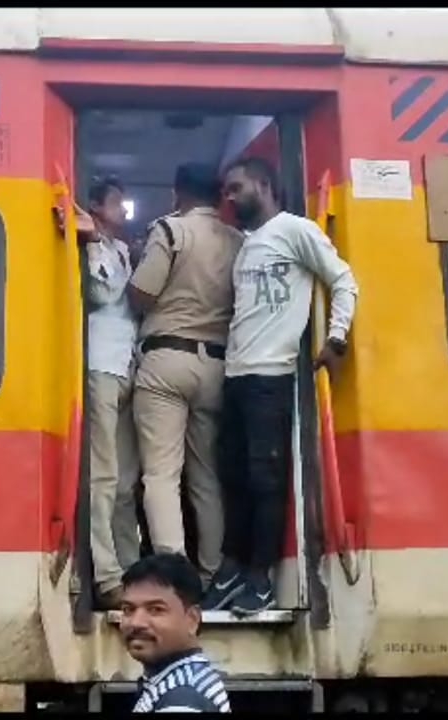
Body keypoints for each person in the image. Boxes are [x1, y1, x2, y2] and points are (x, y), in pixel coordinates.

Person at [203, 157, 358, 616]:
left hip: (272, 373)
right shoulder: (249, 244)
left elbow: (344, 280)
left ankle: (260, 579)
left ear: (264, 184)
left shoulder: (296, 230)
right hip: (236, 373)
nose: (229, 199)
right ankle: (233, 569)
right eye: (225, 192)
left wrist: (336, 338)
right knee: (232, 477)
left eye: (236, 188)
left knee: (265, 479)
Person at [127, 163, 243, 588]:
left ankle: (173, 578)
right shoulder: (238, 241)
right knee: (206, 477)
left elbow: (143, 293)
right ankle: (214, 576)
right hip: (218, 363)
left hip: (167, 360)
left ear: (178, 193)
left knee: (161, 474)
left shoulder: (171, 230)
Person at [80, 175, 142, 610]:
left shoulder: (122, 250)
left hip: (127, 365)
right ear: (97, 207)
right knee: (102, 476)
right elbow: (101, 293)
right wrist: (94, 244)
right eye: (117, 202)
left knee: (125, 481)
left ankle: (132, 569)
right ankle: (107, 577)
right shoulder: (90, 248)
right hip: (100, 364)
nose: (123, 210)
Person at [121, 553, 232, 713]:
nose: (136, 622)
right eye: (128, 609)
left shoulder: (183, 698)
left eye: (155, 609)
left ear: (192, 619)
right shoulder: (183, 681)